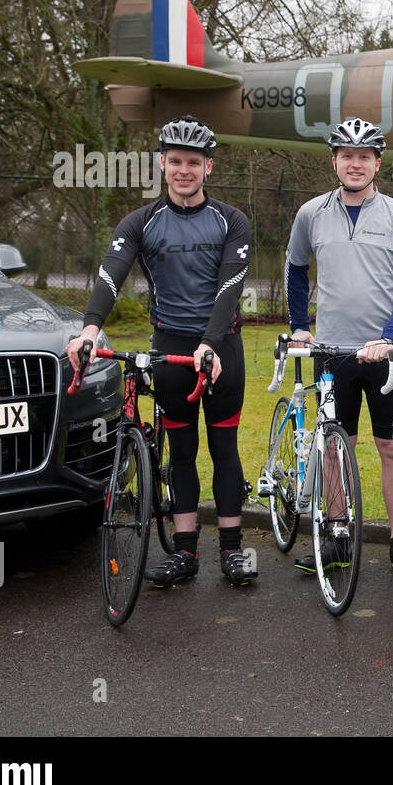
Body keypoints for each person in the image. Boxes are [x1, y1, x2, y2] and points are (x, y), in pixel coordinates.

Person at [66, 115, 255, 586]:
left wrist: (210, 344)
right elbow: (111, 275)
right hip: (170, 347)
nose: (184, 170)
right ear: (162, 165)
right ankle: (186, 552)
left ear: (208, 167)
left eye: (194, 162)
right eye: (175, 161)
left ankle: (232, 549)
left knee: (225, 448)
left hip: (221, 349)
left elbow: (230, 286)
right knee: (184, 451)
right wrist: (89, 329)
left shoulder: (231, 221)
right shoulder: (141, 221)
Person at [285, 117, 393, 578]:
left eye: (364, 156)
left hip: (386, 356)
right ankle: (338, 536)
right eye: (346, 155)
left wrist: (388, 338)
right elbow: (294, 268)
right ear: (334, 161)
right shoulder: (311, 213)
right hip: (331, 352)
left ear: (377, 164)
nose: (354, 163)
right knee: (333, 446)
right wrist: (298, 324)